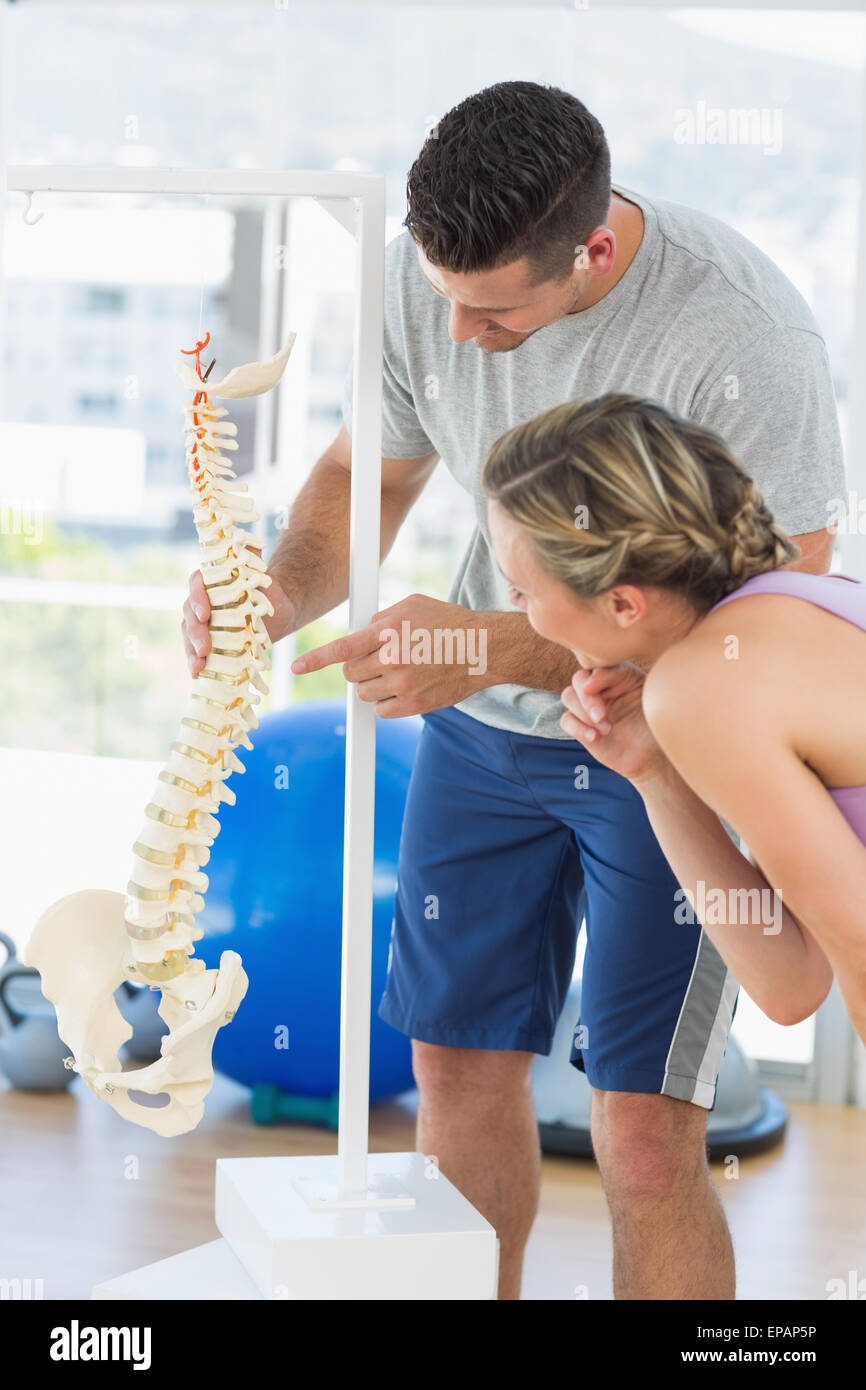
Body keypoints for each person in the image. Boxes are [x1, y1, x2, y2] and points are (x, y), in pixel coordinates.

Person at [182, 81, 845, 1299]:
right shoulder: (425, 279)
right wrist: (267, 596)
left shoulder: (741, 334)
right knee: (455, 1076)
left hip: (672, 747)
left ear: (590, 250)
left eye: (492, 316)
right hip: (484, 745)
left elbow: (766, 610)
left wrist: (493, 645)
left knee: (643, 1131)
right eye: (443, 301)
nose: (459, 340)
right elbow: (363, 478)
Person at [482, 390, 866, 1049]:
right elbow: (789, 983)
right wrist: (654, 773)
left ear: (623, 602)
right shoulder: (819, 603)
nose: (516, 608)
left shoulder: (702, 685)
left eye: (522, 591)